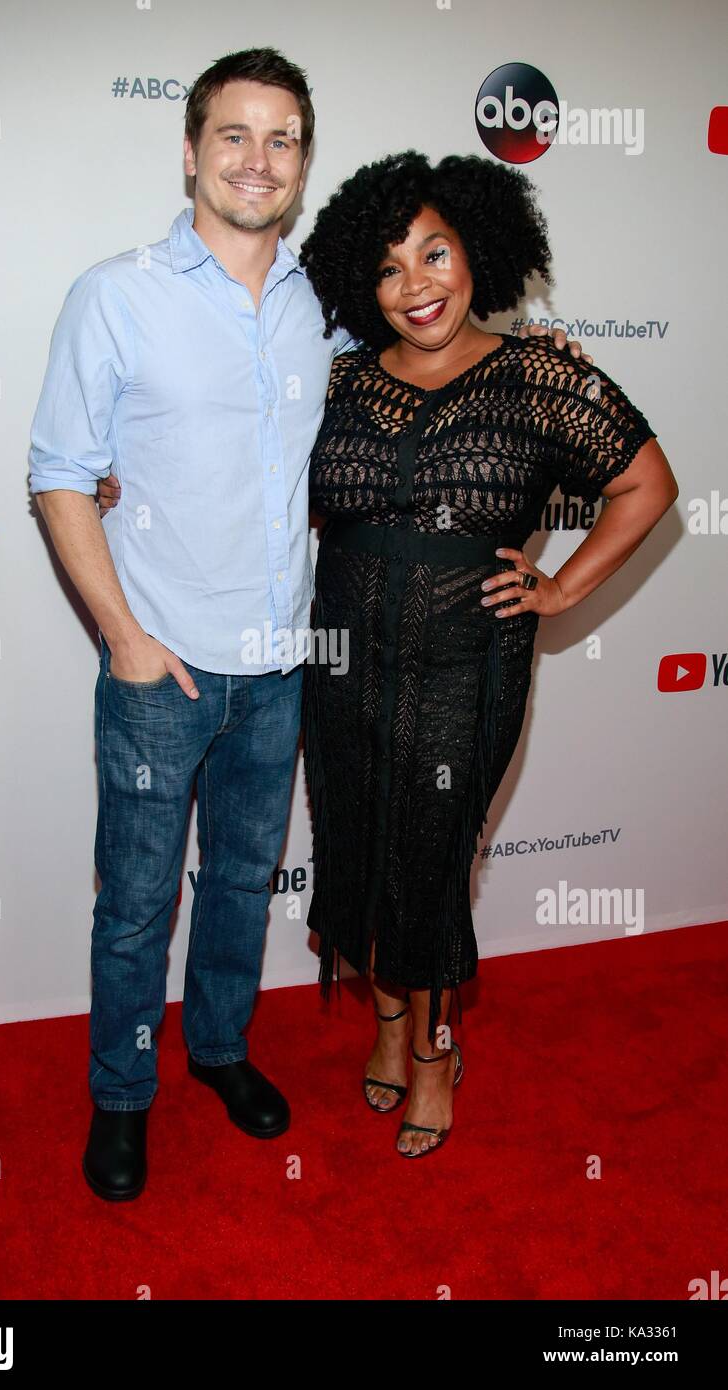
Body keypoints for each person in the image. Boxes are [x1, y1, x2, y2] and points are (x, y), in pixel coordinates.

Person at [39, 46, 583, 1202]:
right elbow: (57, 476)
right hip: (158, 666)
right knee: (137, 905)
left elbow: (429, 362)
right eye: (232, 134)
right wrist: (125, 638)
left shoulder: (323, 314)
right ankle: (121, 1096)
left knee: (242, 882)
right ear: (189, 152)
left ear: (300, 163)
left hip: (286, 665)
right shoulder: (114, 294)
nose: (256, 157)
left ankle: (222, 1053)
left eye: (280, 137)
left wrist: (534, 359)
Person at [295, 150, 678, 1157]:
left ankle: (430, 1052)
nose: (412, 284)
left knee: (427, 858)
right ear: (357, 283)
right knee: (355, 844)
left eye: (432, 253)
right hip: (341, 659)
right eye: (385, 268)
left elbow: (644, 486)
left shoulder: (539, 372)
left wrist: (559, 588)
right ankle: (383, 1021)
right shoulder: (330, 380)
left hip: (468, 663)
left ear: (477, 252)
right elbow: (241, 481)